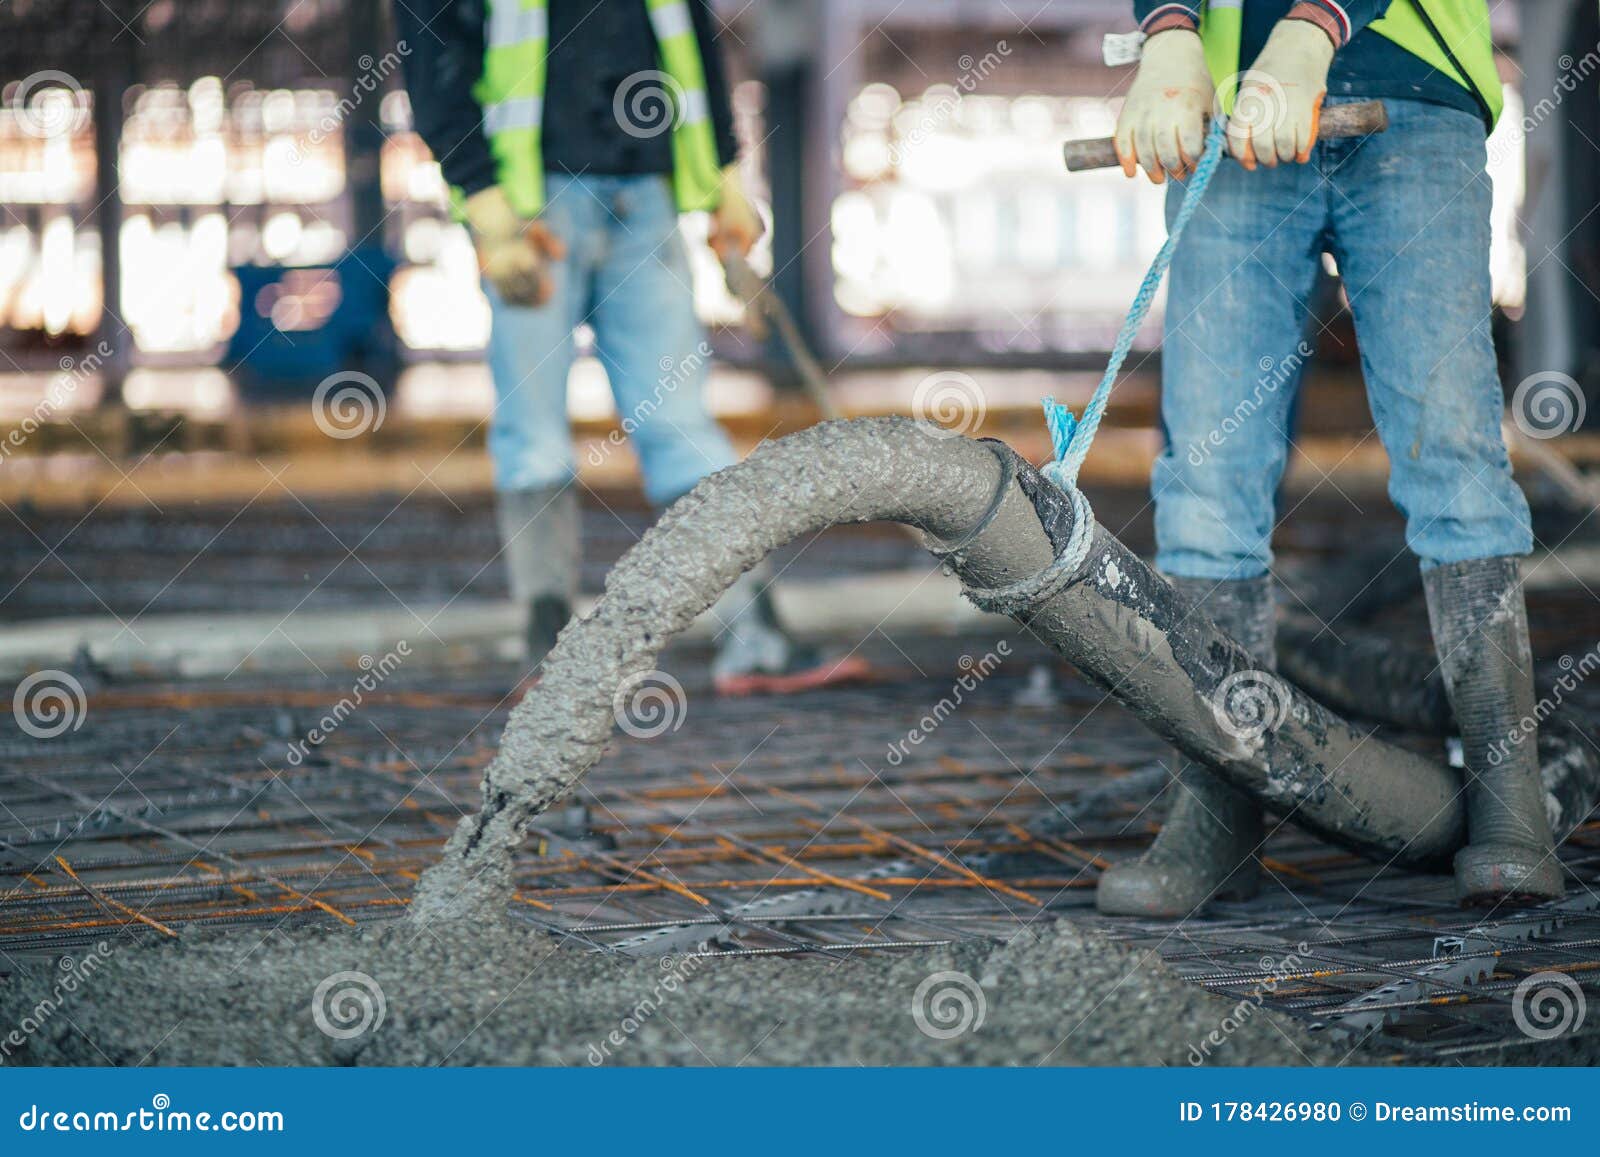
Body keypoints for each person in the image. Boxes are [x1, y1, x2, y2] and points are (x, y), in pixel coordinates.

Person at [1097, 0, 1559, 914]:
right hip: (1235, 119)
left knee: (1454, 460)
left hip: (1409, 96)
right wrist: (1169, 32)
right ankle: (1219, 805)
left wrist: (1316, 26)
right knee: (1206, 485)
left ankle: (1510, 801)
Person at [393, 0, 864, 694]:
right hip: (532, 209)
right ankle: (552, 654)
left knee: (680, 427)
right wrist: (482, 198)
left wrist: (724, 177)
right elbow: (432, 47)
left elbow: (688, 35)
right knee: (534, 433)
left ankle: (754, 636)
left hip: (645, 193)